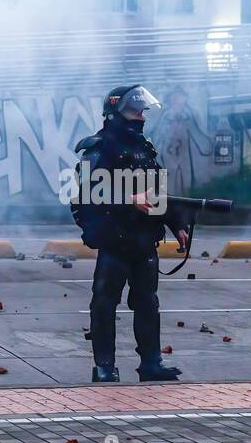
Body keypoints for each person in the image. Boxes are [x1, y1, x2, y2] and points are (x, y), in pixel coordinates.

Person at [71, 86, 189, 383]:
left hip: (144, 241)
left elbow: (157, 192)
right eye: (135, 111)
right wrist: (128, 199)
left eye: (142, 111)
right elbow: (87, 193)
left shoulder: (144, 148)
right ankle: (105, 367)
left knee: (148, 303)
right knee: (104, 303)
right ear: (116, 112)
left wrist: (177, 224)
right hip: (115, 241)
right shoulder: (99, 148)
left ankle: (151, 363)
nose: (141, 116)